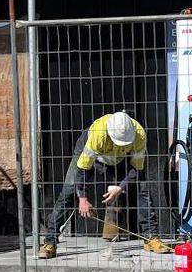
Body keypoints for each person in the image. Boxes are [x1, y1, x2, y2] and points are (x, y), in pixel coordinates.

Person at [38, 110, 165, 257]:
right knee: (68, 192)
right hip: (93, 157)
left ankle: (151, 237)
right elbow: (82, 168)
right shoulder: (98, 134)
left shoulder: (139, 135)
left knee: (142, 190)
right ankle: (49, 242)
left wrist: (120, 187)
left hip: (120, 160)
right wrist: (83, 199)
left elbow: (136, 168)